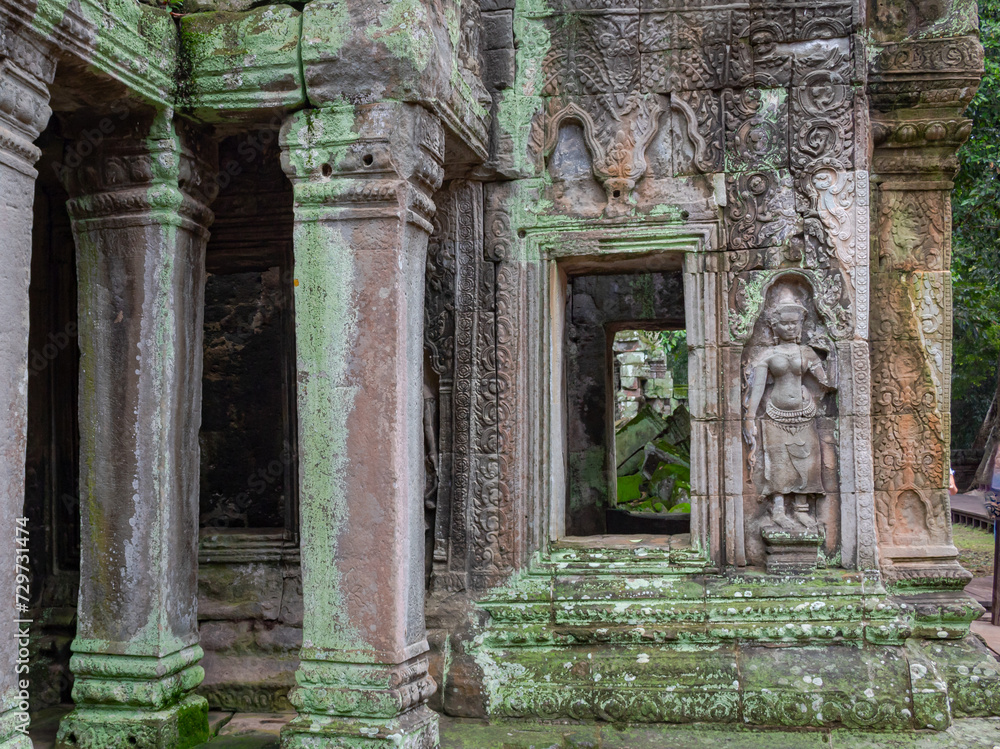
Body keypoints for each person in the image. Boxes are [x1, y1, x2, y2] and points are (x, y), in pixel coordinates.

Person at [743, 286, 836, 532]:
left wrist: (830, 353)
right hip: (775, 414)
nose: (790, 328)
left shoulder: (806, 352)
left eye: (795, 324)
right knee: (778, 462)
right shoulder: (767, 355)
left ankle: (802, 510)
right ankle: (779, 510)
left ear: (800, 325)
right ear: (775, 327)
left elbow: (827, 383)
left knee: (807, 462)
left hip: (804, 413)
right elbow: (758, 389)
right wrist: (749, 418)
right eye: (784, 324)